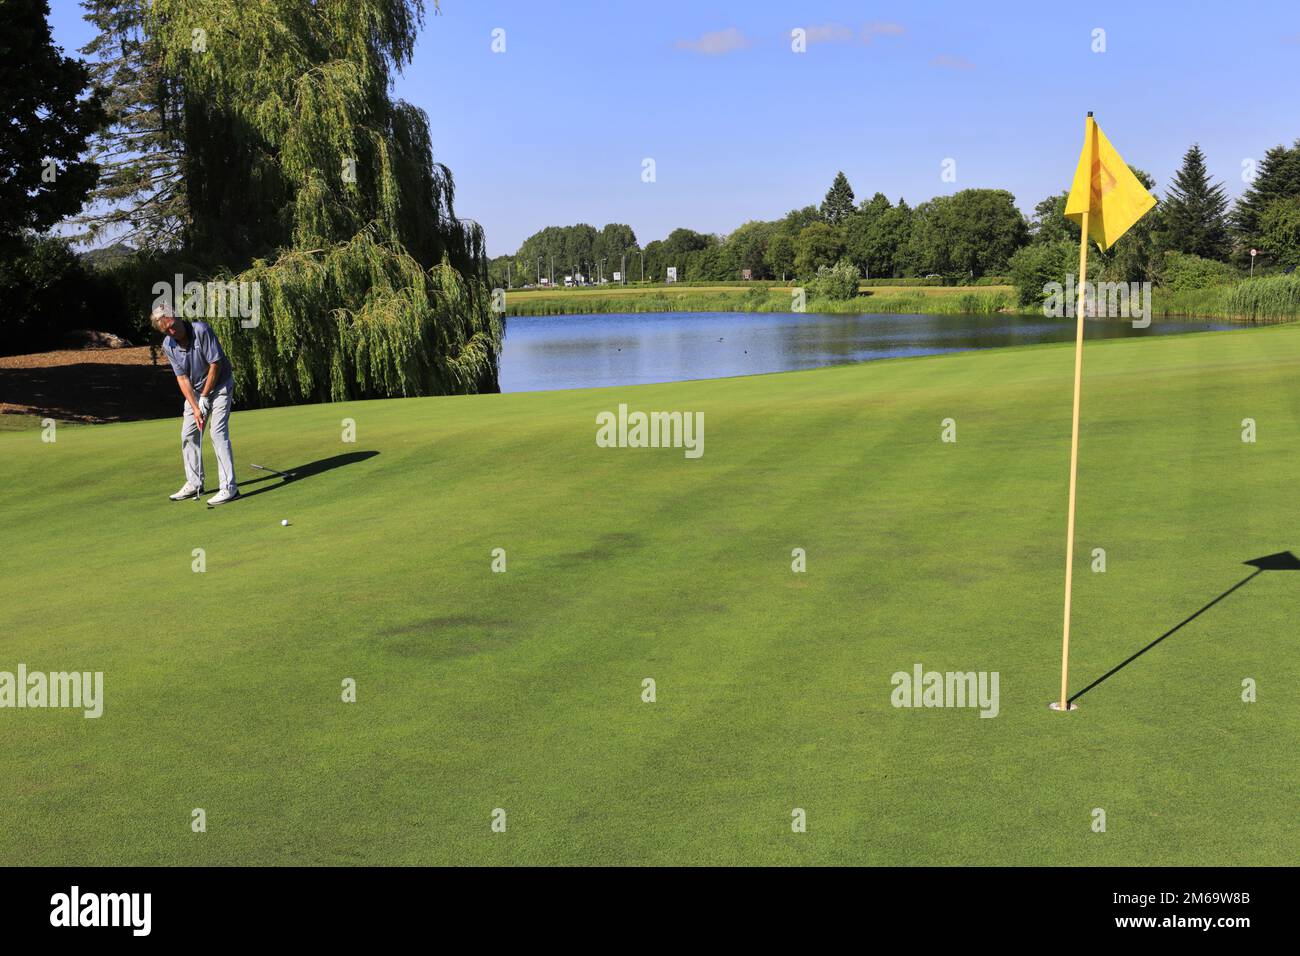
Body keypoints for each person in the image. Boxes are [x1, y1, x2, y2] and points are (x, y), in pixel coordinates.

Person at [152, 304, 240, 506]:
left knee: (217, 433)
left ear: (178, 317)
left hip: (220, 386)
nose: (172, 331)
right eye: (167, 330)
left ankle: (229, 487)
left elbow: (215, 364)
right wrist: (195, 406)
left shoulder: (201, 330)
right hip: (197, 393)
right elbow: (182, 379)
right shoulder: (169, 344)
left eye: (173, 326)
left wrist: (206, 396)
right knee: (188, 434)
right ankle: (194, 483)